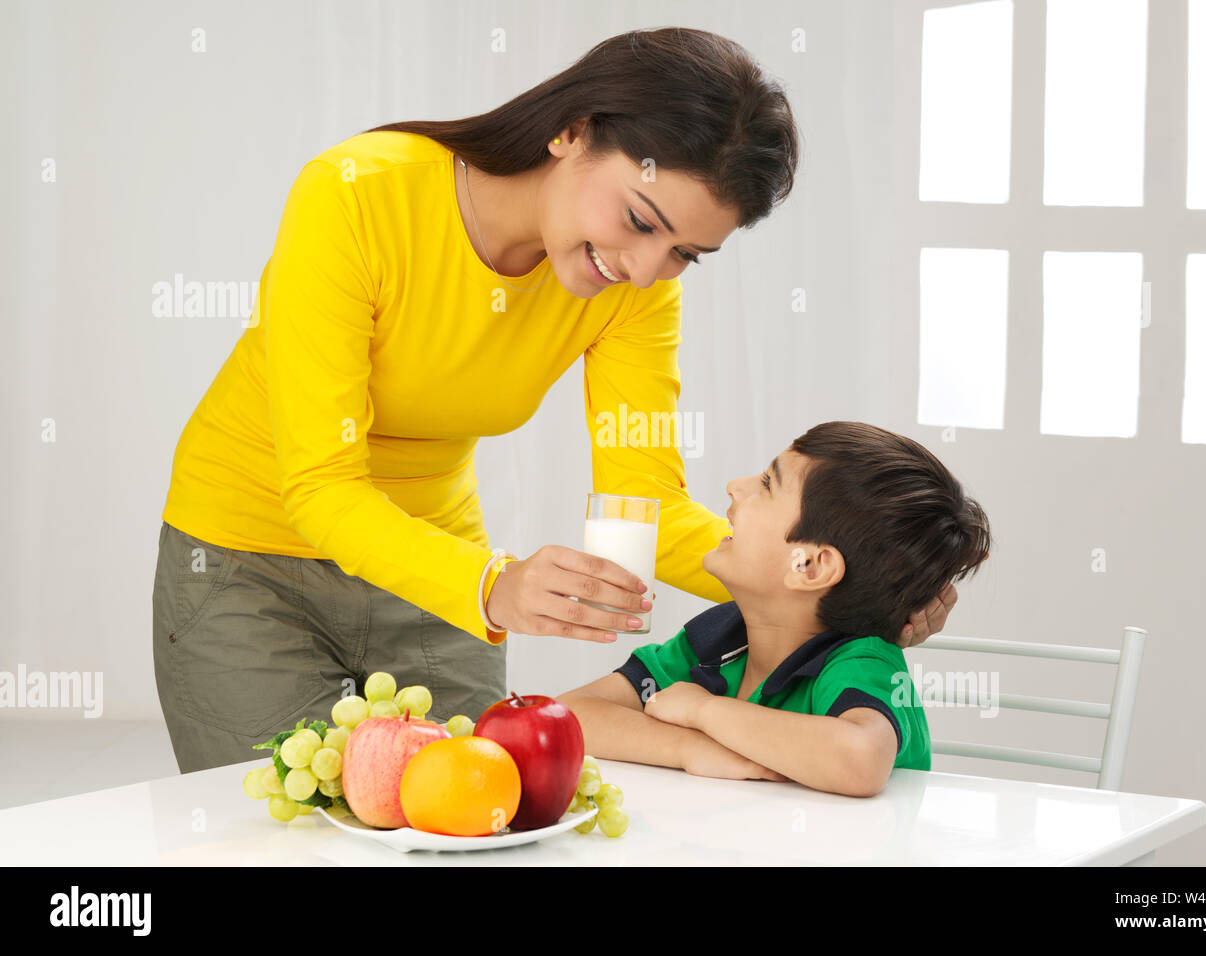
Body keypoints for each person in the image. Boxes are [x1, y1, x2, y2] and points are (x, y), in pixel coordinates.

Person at [152, 28, 958, 774]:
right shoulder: (357, 195)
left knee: (487, 819)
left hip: (436, 574)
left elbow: (642, 503)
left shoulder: (635, 291)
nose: (644, 269)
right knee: (280, 841)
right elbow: (322, 487)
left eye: (684, 253)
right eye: (641, 220)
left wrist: (842, 589)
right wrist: (492, 586)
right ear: (572, 130)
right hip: (249, 564)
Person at [557, 422, 991, 795]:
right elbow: (568, 716)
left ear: (810, 565)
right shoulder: (717, 640)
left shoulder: (860, 661)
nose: (735, 485)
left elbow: (861, 758)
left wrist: (705, 712)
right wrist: (690, 747)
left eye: (767, 484)